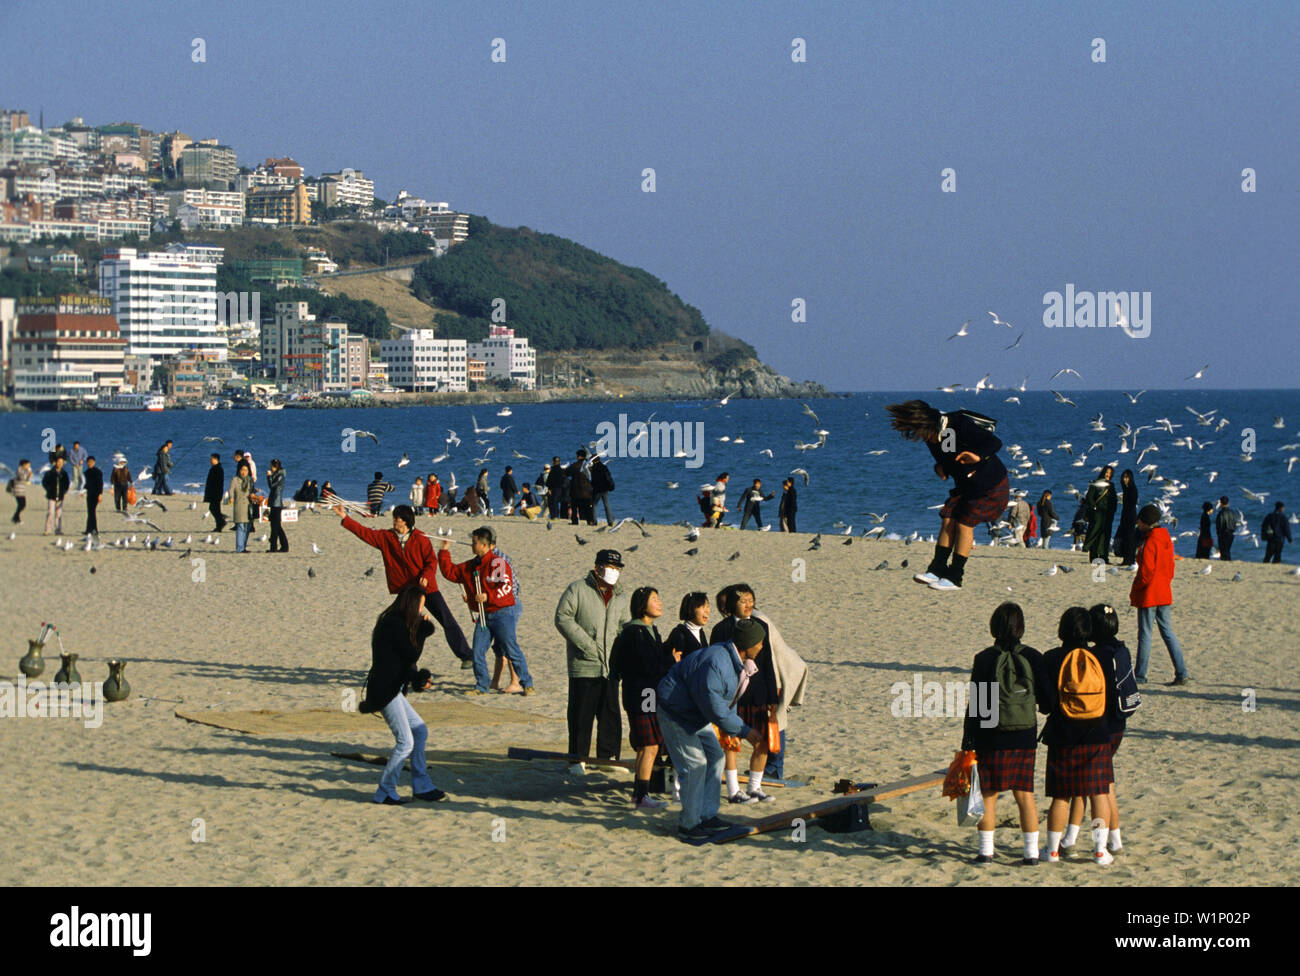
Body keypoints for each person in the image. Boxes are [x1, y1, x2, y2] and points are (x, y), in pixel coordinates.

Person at [655, 617, 766, 842]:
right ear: (747, 644)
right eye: (760, 642)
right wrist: (744, 731)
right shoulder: (717, 662)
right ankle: (689, 824)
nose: (762, 646)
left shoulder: (737, 663)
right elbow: (714, 706)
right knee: (695, 765)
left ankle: (707, 815)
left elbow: (726, 702)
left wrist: (736, 727)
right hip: (675, 712)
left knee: (716, 757)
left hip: (695, 713)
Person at [888, 400, 1009, 591]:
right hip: (966, 485)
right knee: (948, 519)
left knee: (963, 524)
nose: (923, 438)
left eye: (922, 433)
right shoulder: (939, 434)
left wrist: (977, 456)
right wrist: (941, 468)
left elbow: (994, 442)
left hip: (990, 484)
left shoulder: (957, 424)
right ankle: (937, 570)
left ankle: (955, 577)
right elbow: (949, 456)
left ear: (928, 424)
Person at [334, 502, 474, 666]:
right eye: (394, 519)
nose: (394, 522)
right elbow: (364, 532)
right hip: (406, 591)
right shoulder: (386, 537)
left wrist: (426, 575)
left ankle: (466, 656)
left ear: (406, 521)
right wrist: (345, 517)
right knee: (407, 627)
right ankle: (409, 665)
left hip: (427, 587)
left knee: (447, 619)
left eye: (397, 519)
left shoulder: (421, 538)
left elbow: (431, 561)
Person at [961, 602, 1043, 865]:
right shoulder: (1033, 656)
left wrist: (969, 740)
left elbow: (978, 703)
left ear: (994, 626)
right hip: (1024, 735)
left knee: (989, 794)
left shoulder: (984, 658)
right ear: (1021, 627)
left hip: (991, 735)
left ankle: (986, 851)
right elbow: (1045, 700)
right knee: (1024, 794)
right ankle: (1030, 853)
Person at [1038, 607, 1117, 865]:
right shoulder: (1102, 657)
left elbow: (1047, 704)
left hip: (1063, 734)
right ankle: (1099, 850)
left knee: (1061, 796)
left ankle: (1052, 851)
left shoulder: (1051, 657)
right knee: (1098, 794)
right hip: (1097, 733)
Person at [358, 585, 444, 805]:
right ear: (412, 604)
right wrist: (424, 630)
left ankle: (422, 787)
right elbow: (411, 653)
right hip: (384, 691)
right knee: (405, 742)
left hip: (391, 688)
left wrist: (416, 680)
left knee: (419, 730)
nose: (423, 611)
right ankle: (385, 791)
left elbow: (402, 662)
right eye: (421, 605)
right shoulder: (393, 624)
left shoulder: (395, 622)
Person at [1062, 604, 1131, 859]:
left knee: (1098, 786)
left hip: (1100, 726)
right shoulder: (1121, 650)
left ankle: (1099, 842)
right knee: (1100, 782)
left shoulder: (1095, 656)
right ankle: (1112, 841)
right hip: (1118, 725)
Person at [554, 549, 631, 772]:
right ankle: (577, 760)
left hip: (610, 666)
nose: (614, 572)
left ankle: (609, 758)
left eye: (617, 568)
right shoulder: (578, 589)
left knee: (610, 714)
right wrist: (587, 645)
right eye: (610, 567)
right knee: (581, 715)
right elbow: (563, 618)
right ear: (597, 567)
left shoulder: (620, 595)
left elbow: (623, 624)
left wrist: (619, 650)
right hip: (584, 663)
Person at [438, 526, 533, 696]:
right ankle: (482, 685)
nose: (472, 545)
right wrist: (444, 551)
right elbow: (451, 573)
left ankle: (527, 683)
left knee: (511, 649)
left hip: (502, 613)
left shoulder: (497, 562)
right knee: (478, 652)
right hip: (483, 616)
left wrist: (487, 597)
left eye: (474, 543)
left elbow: (506, 588)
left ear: (484, 545)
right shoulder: (471, 565)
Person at [711, 584, 779, 803]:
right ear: (732, 605)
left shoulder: (761, 626)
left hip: (758, 692)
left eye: (751, 600)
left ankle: (754, 787)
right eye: (743, 601)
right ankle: (733, 790)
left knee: (763, 741)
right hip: (733, 694)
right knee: (731, 742)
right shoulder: (721, 629)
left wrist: (772, 698)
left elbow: (768, 662)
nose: (748, 605)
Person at [609, 586, 675, 809]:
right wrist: (670, 660)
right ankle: (641, 795)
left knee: (648, 746)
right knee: (650, 745)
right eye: (654, 599)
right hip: (642, 693)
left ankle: (639, 794)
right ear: (641, 605)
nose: (659, 603)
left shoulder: (649, 630)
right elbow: (647, 666)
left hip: (646, 693)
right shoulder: (634, 632)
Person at [1130, 504, 1189, 686]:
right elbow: (1171, 568)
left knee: (1145, 634)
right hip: (1164, 591)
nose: (1138, 523)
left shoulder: (1150, 542)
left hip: (1150, 594)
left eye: (1140, 521)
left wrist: (1136, 589)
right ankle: (1181, 673)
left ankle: (1140, 675)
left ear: (1146, 522)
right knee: (1167, 632)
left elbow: (1146, 572)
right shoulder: (1166, 539)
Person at [1083, 466, 1117, 562]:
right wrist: (1095, 507)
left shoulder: (1111, 485)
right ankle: (1093, 556)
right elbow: (1089, 497)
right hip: (1097, 514)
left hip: (1107, 514)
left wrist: (1113, 511)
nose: (1108, 475)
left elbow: (1114, 499)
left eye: (1110, 473)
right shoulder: (1095, 484)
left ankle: (1104, 556)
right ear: (1103, 472)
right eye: (1107, 472)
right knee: (1095, 534)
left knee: (1105, 535)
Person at [664, 592, 710, 662]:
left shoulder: (701, 632)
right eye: (703, 607)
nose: (707, 611)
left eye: (707, 606)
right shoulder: (679, 634)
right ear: (691, 609)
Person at [1113, 469, 1139, 566]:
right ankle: (1126, 559)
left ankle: (1129, 560)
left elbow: (1132, 504)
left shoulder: (1132, 489)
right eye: (1124, 477)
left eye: (1127, 477)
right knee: (1126, 538)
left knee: (1129, 539)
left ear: (1130, 478)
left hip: (1130, 516)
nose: (1125, 479)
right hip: (1125, 516)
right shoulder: (1126, 488)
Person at [229, 460, 255, 553]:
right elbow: (231, 490)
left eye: (246, 470)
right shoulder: (235, 479)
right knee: (240, 526)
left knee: (247, 527)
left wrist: (253, 495)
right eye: (242, 470)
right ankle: (239, 548)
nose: (244, 472)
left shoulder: (250, 480)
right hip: (239, 506)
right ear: (239, 470)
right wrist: (231, 498)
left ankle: (243, 546)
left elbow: (252, 491)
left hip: (248, 506)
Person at [41, 456, 70, 535]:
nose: (60, 464)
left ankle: (58, 529)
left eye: (61, 462)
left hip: (60, 496)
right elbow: (44, 482)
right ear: (55, 462)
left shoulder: (64, 473)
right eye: (58, 462)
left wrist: (64, 491)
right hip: (51, 496)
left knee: (59, 513)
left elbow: (67, 484)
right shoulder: (50, 472)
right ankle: (48, 530)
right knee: (50, 513)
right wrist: (49, 489)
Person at [566, 450, 594, 525]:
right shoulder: (589, 466)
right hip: (587, 490)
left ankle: (575, 521)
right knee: (588, 507)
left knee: (574, 507)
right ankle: (590, 521)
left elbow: (567, 473)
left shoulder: (574, 465)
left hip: (576, 490)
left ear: (579, 456)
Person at [266, 459, 288, 553]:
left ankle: (276, 547)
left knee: (276, 526)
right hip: (274, 502)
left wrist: (269, 477)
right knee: (275, 525)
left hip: (277, 503)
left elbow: (272, 486)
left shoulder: (280, 475)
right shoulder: (277, 475)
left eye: (272, 466)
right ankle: (282, 546)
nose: (270, 467)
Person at [204, 454, 227, 532]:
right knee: (214, 509)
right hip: (213, 493)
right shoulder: (214, 468)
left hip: (216, 493)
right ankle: (220, 523)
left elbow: (219, 483)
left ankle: (221, 522)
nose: (210, 461)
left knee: (214, 509)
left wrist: (219, 494)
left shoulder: (218, 469)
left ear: (216, 459)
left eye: (212, 459)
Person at [590, 456, 615, 526]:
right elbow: (608, 477)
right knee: (607, 505)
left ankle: (594, 521)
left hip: (597, 489)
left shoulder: (594, 468)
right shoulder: (604, 467)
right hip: (605, 488)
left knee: (594, 505)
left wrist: (592, 487)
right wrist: (610, 486)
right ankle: (610, 521)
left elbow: (593, 480)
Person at [83, 456, 103, 539]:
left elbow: (100, 484)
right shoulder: (86, 472)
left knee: (92, 511)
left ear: (94, 462)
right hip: (89, 494)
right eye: (88, 462)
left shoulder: (98, 472)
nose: (90, 463)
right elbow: (86, 484)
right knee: (89, 511)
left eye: (91, 462)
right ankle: (88, 529)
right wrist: (83, 491)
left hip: (96, 494)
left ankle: (94, 530)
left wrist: (100, 494)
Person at [1215, 496, 1237, 561]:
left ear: (1221, 503)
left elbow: (1220, 525)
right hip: (1232, 533)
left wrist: (1219, 534)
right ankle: (1228, 562)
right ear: (1228, 503)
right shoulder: (1232, 512)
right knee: (1227, 550)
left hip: (1224, 533)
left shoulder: (1221, 513)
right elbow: (1234, 523)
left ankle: (1226, 562)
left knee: (1223, 551)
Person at [10, 459, 32, 523]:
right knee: (22, 505)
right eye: (28, 465)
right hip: (18, 490)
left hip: (22, 490)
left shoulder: (24, 470)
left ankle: (16, 518)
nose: (29, 466)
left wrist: (29, 476)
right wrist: (28, 474)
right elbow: (22, 477)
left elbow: (26, 480)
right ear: (24, 465)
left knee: (22, 505)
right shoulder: (19, 470)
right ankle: (15, 517)